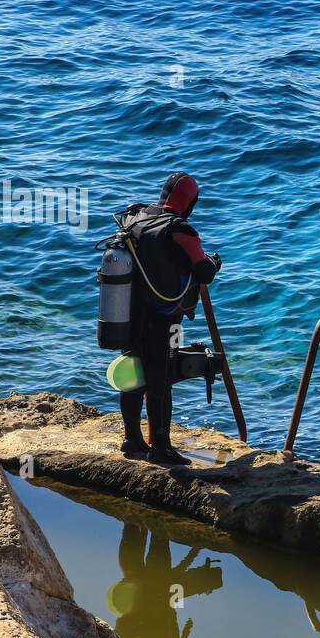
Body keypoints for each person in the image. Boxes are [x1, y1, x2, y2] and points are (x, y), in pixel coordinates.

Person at [117, 172, 221, 466]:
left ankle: (131, 439)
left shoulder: (134, 217)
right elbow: (203, 273)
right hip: (163, 319)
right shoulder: (181, 231)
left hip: (128, 314)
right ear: (190, 202)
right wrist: (214, 262)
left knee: (133, 373)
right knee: (159, 380)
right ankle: (160, 447)